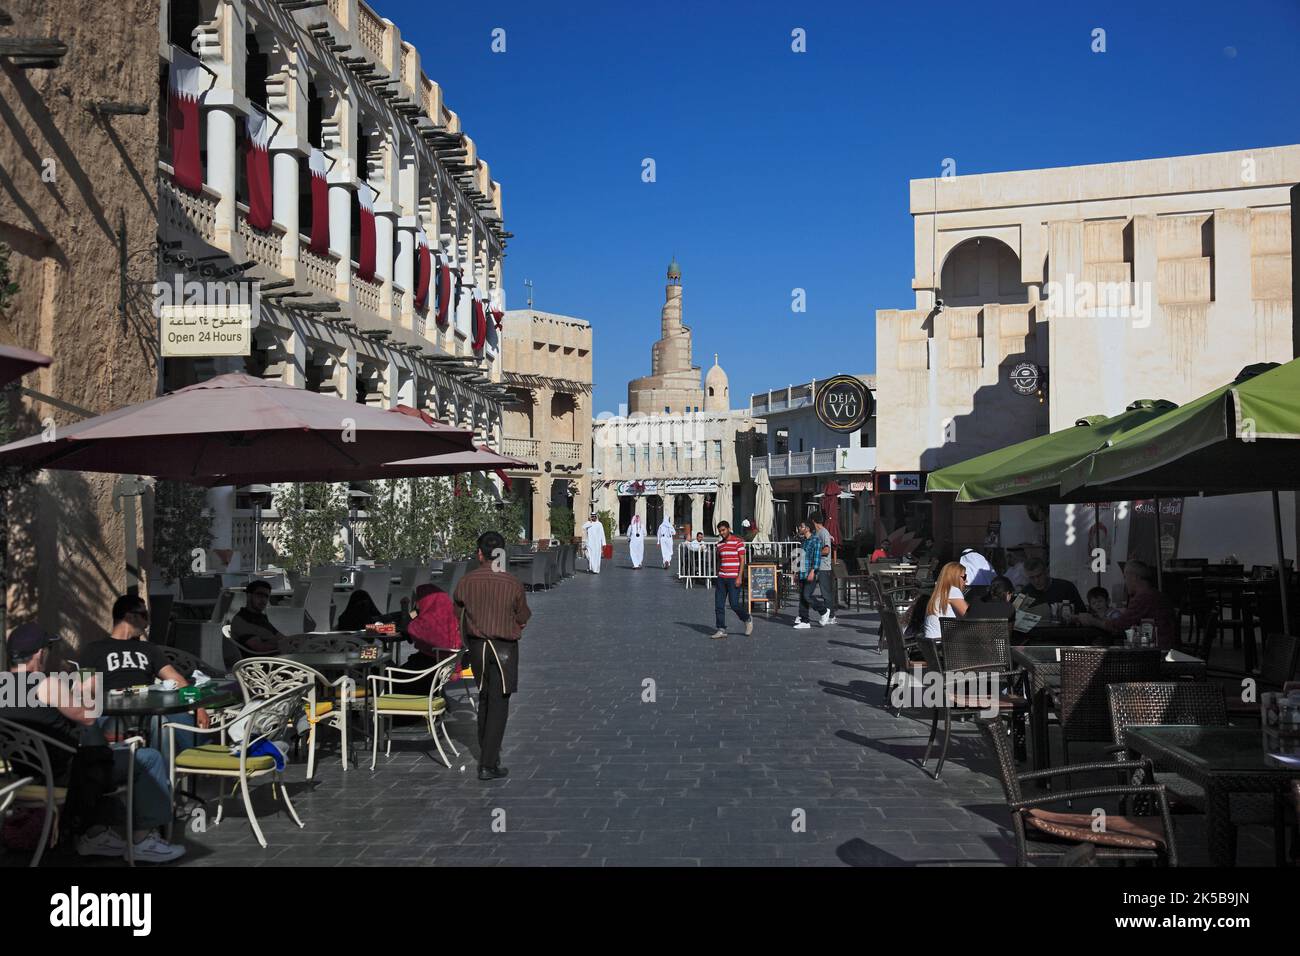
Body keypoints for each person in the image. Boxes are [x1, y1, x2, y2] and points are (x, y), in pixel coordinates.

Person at [0, 623, 185, 862]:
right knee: (148, 758)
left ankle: (95, 834)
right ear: (39, 653)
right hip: (68, 777)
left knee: (100, 753)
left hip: (23, 774)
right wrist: (87, 687)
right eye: (48, 649)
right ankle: (143, 840)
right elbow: (88, 717)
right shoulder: (46, 684)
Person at [78, 594, 210, 757]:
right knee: (159, 720)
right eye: (145, 616)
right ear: (130, 617)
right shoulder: (93, 649)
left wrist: (199, 707)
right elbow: (81, 689)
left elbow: (177, 680)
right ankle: (197, 756)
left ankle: (200, 756)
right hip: (112, 716)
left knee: (163, 717)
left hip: (147, 714)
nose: (147, 623)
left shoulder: (148, 649)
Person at [454, 531, 531, 781]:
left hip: (477, 647)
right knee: (499, 702)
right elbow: (523, 616)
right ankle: (488, 762)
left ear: (479, 554)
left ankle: (488, 752)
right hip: (503, 649)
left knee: (485, 697)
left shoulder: (467, 581)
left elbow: (457, 611)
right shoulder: (511, 582)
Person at [1077, 560, 1178, 649]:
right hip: (1163, 648)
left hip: (1158, 652)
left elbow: (1119, 626)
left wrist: (1092, 621)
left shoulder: (1144, 597)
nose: (1125, 582)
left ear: (1134, 577)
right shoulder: (1154, 594)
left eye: (1125, 577)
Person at [401, 583, 464, 693]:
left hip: (425, 673)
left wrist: (405, 606)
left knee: (385, 675)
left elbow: (406, 626)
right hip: (442, 670)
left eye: (418, 599)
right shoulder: (452, 618)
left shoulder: (426, 624)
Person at [710, 520, 752, 640]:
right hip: (722, 578)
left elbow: (742, 560)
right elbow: (719, 560)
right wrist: (718, 574)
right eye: (720, 531)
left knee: (734, 604)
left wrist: (740, 576)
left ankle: (747, 618)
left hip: (734, 577)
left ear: (728, 529)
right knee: (719, 605)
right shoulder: (719, 545)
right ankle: (721, 629)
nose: (722, 533)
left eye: (723, 530)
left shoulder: (738, 542)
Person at [228, 579, 283, 654]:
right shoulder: (241, 620)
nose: (264, 600)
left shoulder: (261, 617)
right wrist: (282, 644)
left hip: (279, 657)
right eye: (259, 595)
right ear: (249, 596)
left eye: (266, 596)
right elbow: (260, 647)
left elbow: (280, 636)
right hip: (261, 663)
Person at [793, 522, 828, 630]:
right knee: (802, 597)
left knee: (807, 595)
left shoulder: (815, 540)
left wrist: (813, 571)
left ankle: (824, 610)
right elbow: (801, 558)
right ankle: (805, 621)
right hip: (802, 572)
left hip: (810, 572)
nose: (800, 528)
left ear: (807, 528)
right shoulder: (804, 542)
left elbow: (817, 557)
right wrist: (796, 572)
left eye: (801, 526)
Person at [1020, 558, 1086, 614]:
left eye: (1039, 576)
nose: (1036, 581)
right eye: (1031, 578)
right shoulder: (1025, 592)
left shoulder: (1066, 587)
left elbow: (1082, 613)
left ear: (1047, 572)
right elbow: (1015, 618)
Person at [923, 562, 969, 640]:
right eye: (964, 577)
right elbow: (970, 615)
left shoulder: (941, 592)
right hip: (945, 645)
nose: (966, 581)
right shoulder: (953, 590)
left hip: (934, 644)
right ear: (955, 577)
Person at [809, 510, 837, 625]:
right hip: (816, 566)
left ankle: (830, 616)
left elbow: (827, 550)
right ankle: (827, 614)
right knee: (808, 591)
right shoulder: (817, 533)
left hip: (824, 567)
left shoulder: (823, 532)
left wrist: (815, 552)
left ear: (814, 521)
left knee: (825, 593)